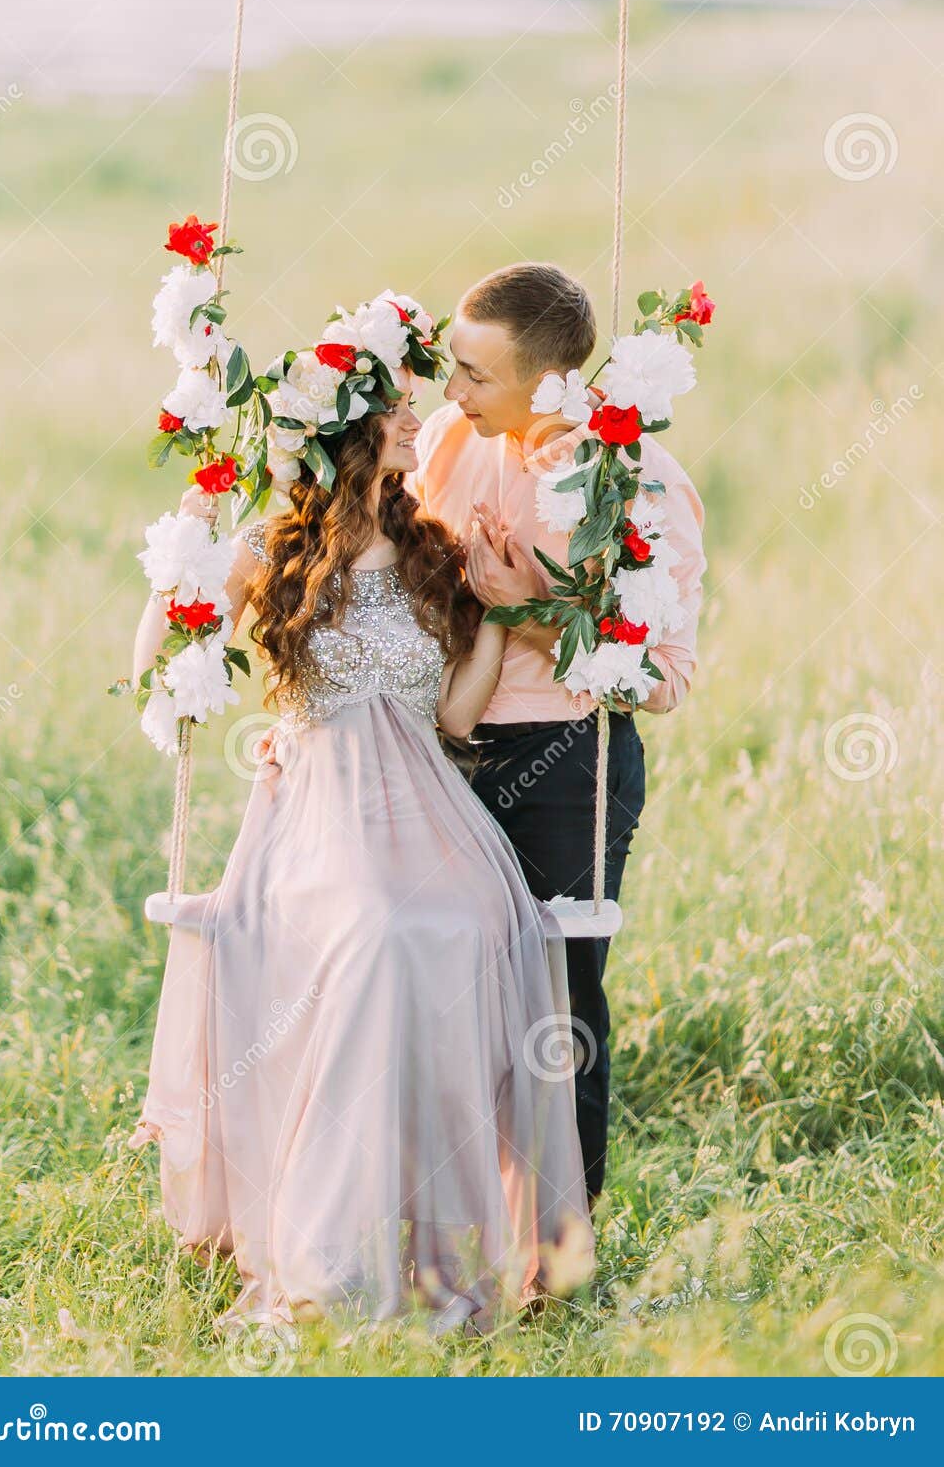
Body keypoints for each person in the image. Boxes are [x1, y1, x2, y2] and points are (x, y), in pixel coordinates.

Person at [126, 311, 594, 1342]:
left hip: (426, 803)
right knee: (377, 937)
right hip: (317, 806)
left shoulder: (432, 548)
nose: (412, 416)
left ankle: (444, 1236)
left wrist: (505, 619)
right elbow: (163, 623)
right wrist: (187, 673)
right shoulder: (276, 549)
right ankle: (339, 1249)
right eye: (391, 408)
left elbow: (459, 716)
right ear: (348, 432)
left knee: (469, 927)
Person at [406, 262, 707, 1207]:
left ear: (546, 384)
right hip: (437, 755)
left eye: (474, 376)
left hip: (565, 768)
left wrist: (523, 612)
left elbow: (662, 679)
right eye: (451, 368)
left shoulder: (637, 482)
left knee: (554, 1011)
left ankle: (557, 1249)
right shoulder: (453, 437)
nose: (451, 393)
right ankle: (453, 1226)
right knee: (437, 1001)